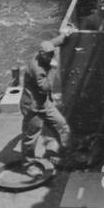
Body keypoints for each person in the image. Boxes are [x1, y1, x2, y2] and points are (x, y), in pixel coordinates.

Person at [20, 38, 71, 168]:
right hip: (33, 107)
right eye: (48, 55)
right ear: (41, 54)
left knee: (62, 125)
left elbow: (51, 43)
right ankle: (28, 164)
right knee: (31, 136)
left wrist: (64, 36)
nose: (51, 56)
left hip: (44, 103)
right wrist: (53, 68)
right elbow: (45, 88)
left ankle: (64, 153)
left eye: (52, 53)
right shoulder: (36, 69)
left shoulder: (42, 54)